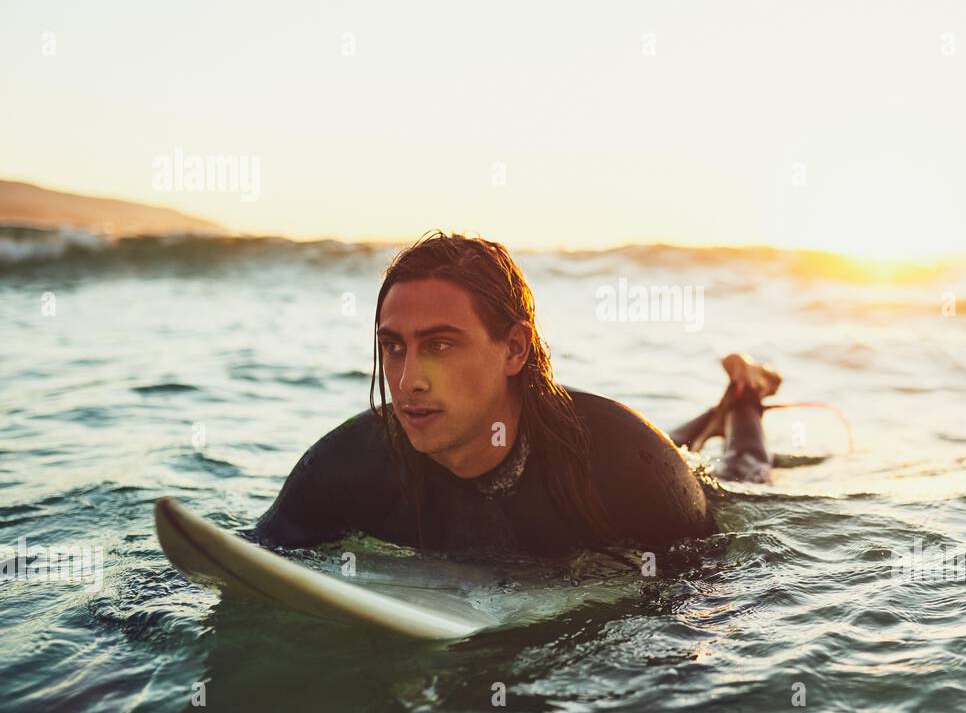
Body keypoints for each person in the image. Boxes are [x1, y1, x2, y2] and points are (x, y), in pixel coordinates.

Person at [250, 232, 784, 557]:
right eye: (393, 347)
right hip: (618, 442)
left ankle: (745, 395)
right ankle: (731, 395)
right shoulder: (347, 464)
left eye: (439, 344)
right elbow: (247, 561)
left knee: (740, 466)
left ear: (513, 349)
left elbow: (701, 617)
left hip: (655, 463)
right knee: (674, 445)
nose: (409, 378)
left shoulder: (631, 468)